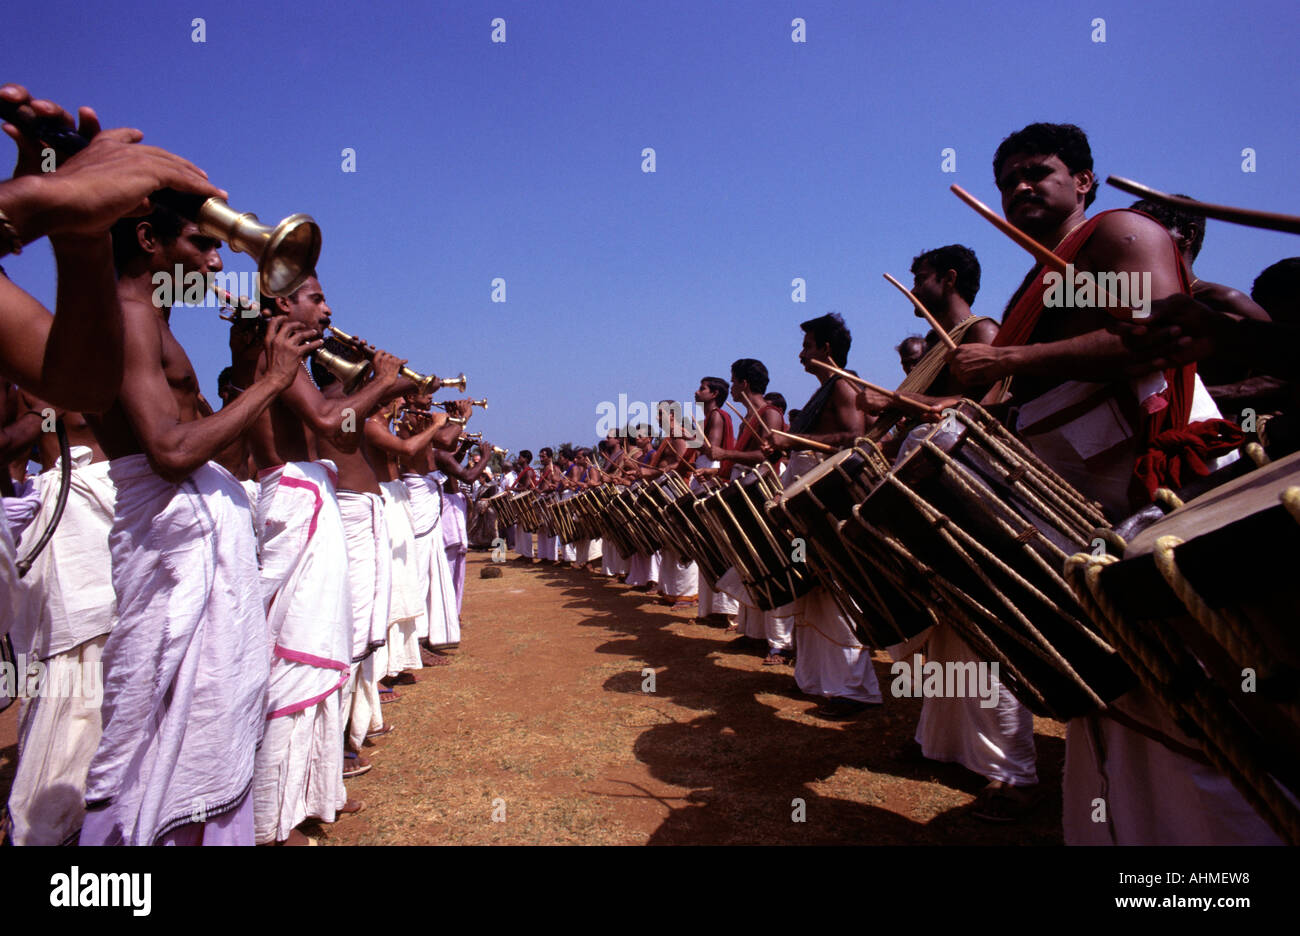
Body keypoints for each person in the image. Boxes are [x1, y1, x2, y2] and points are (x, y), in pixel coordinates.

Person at [950, 121, 1274, 845]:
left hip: (1160, 505)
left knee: (1197, 701)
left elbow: (1163, 334)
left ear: (1084, 181)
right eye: (1009, 181)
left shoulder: (1116, 234)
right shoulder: (1044, 273)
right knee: (1123, 703)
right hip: (1094, 521)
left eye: (1038, 172)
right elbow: (1033, 389)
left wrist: (1006, 364)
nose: (1020, 188)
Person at [79, 200, 317, 846]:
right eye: (202, 246)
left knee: (199, 729)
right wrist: (272, 385)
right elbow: (170, 451)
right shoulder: (129, 320)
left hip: (200, 549)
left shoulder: (161, 327)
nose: (218, 262)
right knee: (151, 741)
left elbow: (220, 452)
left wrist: (251, 367)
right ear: (150, 240)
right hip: (168, 556)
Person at [244, 274, 413, 845]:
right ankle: (272, 817)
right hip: (292, 497)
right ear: (281, 302)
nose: (328, 307)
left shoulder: (286, 353)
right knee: (296, 660)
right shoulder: (272, 348)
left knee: (319, 655)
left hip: (308, 495)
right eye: (315, 297)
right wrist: (383, 381)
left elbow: (334, 430)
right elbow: (325, 422)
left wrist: (366, 381)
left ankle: (313, 794)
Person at [766, 313, 883, 717]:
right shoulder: (828, 388)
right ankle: (818, 679)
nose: (801, 355)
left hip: (830, 505)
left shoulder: (845, 385)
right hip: (812, 509)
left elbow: (854, 439)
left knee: (839, 593)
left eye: (808, 346)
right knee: (817, 592)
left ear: (826, 349)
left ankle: (855, 688)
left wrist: (796, 439)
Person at [689, 377, 738, 626]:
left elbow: (712, 451)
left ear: (714, 393)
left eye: (702, 388)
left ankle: (725, 610)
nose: (697, 392)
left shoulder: (717, 416)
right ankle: (709, 610)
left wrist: (690, 435)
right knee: (705, 542)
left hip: (711, 473)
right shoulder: (706, 418)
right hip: (702, 473)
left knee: (716, 542)